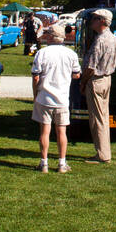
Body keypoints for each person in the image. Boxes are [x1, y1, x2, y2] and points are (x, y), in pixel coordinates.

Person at [31, 24, 80, 173]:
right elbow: (77, 74)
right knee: (61, 132)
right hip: (62, 99)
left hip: (44, 97)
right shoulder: (71, 54)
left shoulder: (42, 53)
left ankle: (44, 162)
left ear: (50, 37)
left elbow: (35, 77)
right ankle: (61, 163)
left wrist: (35, 95)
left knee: (44, 131)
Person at [80, 8, 116, 164]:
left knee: (97, 119)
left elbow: (91, 66)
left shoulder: (101, 40)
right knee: (102, 117)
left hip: (96, 80)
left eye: (95, 18)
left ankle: (102, 154)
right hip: (106, 79)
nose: (92, 21)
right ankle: (104, 152)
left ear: (102, 21)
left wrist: (83, 82)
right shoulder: (112, 38)